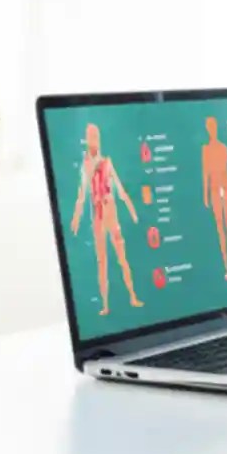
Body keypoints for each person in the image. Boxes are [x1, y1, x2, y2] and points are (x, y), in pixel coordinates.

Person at [70, 123, 143, 315]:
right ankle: (105, 304)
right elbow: (82, 194)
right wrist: (76, 218)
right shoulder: (87, 165)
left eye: (94, 136)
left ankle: (132, 295)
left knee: (121, 255)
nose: (91, 140)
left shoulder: (107, 162)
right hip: (98, 213)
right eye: (89, 137)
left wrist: (132, 210)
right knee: (102, 260)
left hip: (110, 209)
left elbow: (120, 189)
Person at [202, 116, 227, 282]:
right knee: (220, 230)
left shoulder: (223, 148)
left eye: (214, 126)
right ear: (207, 129)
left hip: (226, 189)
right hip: (214, 190)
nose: (213, 128)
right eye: (210, 126)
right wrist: (205, 195)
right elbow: (205, 173)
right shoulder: (205, 149)